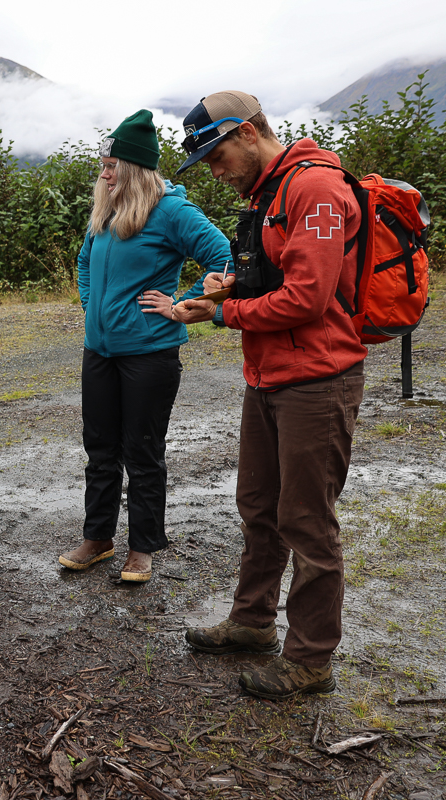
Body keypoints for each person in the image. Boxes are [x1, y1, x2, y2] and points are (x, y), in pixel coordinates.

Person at [173, 91, 367, 699]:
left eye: (218, 156)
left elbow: (308, 299)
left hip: (317, 381)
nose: (215, 171)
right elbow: (278, 278)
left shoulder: (313, 189)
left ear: (250, 133)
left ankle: (310, 660)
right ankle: (252, 623)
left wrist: (222, 312)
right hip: (268, 377)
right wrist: (229, 282)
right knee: (259, 507)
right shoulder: (267, 194)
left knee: (307, 522)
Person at [59, 110, 231, 583]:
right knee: (100, 449)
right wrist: (94, 306)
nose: (104, 171)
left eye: (112, 163)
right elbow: (85, 262)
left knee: (142, 451)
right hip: (100, 352)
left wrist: (185, 304)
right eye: (102, 162)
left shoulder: (172, 210)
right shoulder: (107, 209)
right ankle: (98, 539)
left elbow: (224, 256)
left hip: (150, 354)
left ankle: (142, 549)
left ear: (134, 167)